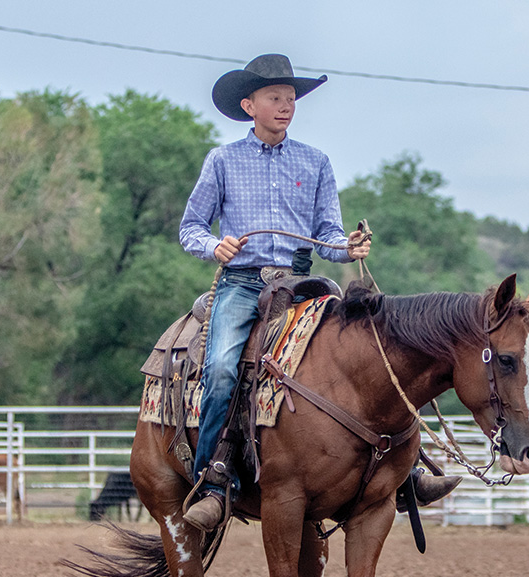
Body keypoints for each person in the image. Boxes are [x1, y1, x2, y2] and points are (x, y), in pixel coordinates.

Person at [178, 53, 459, 532]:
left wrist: (349, 247)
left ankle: (405, 471)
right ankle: (213, 479)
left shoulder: (316, 161)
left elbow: (328, 233)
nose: (286, 106)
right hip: (244, 283)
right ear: (250, 105)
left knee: (373, 349)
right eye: (275, 98)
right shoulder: (222, 160)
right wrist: (214, 245)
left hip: (304, 282)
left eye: (290, 99)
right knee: (223, 367)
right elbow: (190, 228)